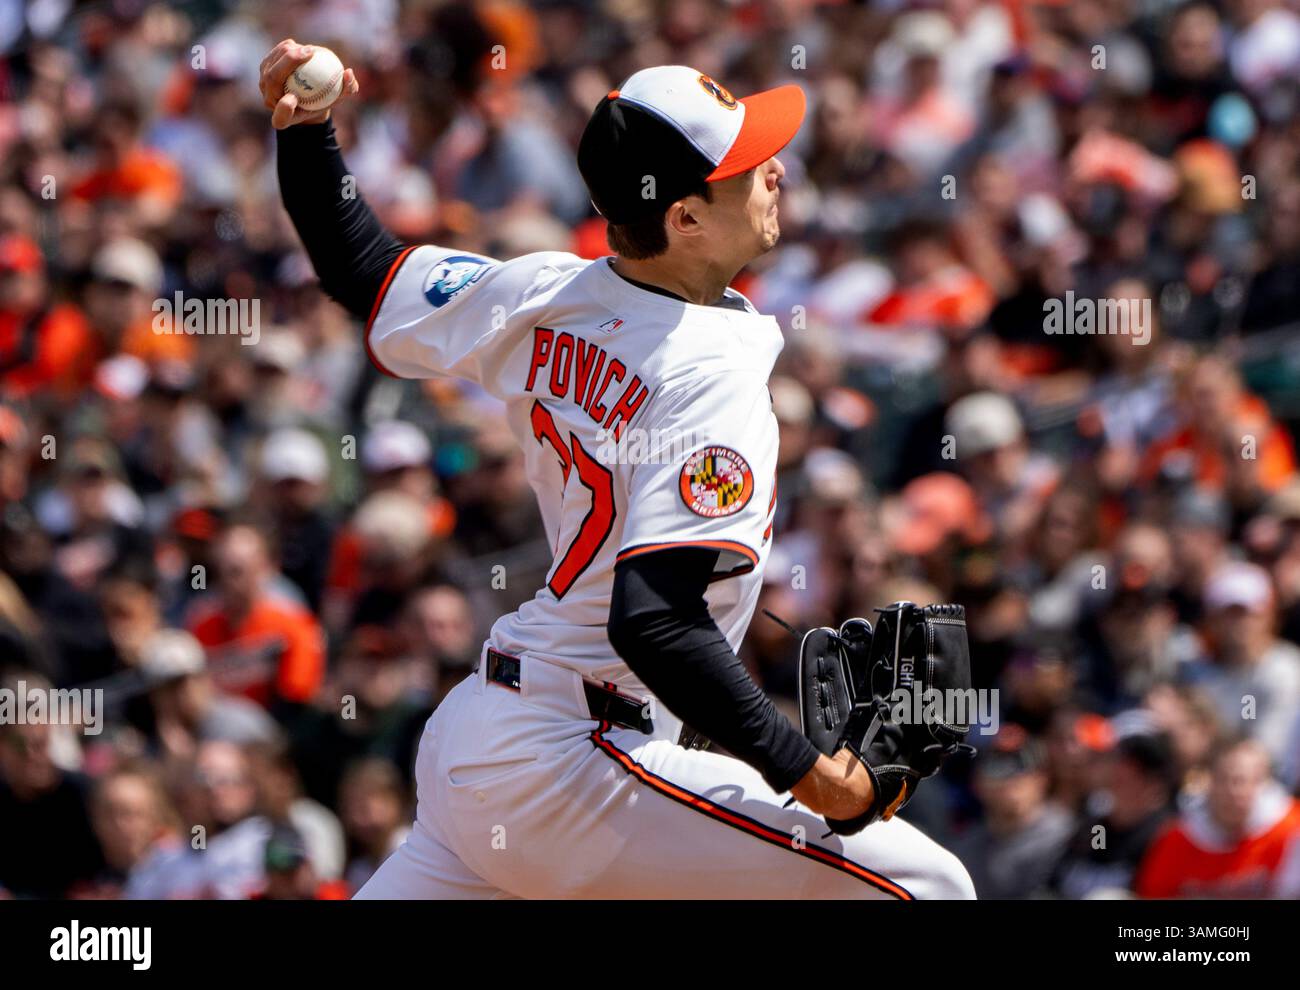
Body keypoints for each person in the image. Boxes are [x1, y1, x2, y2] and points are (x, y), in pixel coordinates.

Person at [262, 40, 972, 898]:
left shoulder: (547, 290)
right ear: (686, 218)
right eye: (748, 163)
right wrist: (823, 780)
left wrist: (307, 131)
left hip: (487, 736)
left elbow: (365, 274)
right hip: (573, 759)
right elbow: (657, 624)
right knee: (928, 888)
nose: (776, 169)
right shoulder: (708, 373)